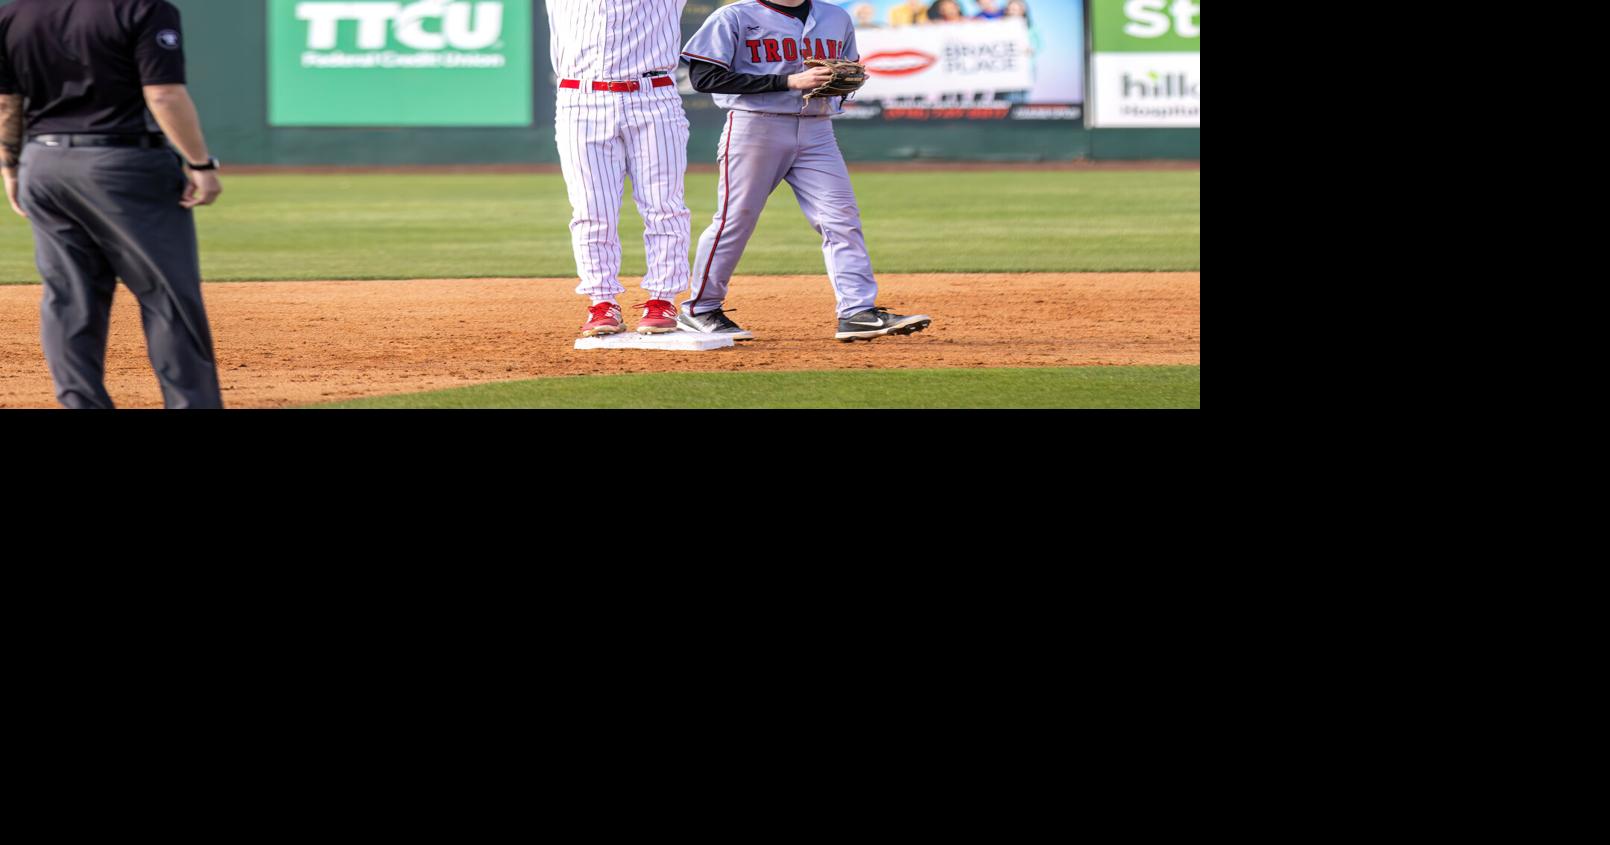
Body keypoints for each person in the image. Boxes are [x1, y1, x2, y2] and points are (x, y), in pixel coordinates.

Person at [0, 0, 224, 409]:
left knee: (69, 299)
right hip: (122, 164)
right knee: (167, 297)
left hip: (43, 163)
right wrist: (200, 163)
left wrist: (10, 166)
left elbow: (6, 101)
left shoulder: (15, 12)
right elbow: (164, 94)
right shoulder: (143, 8)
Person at [680, 0, 932, 342]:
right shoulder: (735, 15)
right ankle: (701, 308)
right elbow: (704, 76)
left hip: (818, 128)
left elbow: (849, 67)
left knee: (841, 217)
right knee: (735, 219)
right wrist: (788, 81)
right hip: (755, 125)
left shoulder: (835, 17)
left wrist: (843, 82)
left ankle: (857, 311)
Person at [546, 0, 693, 338]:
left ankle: (662, 298)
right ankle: (601, 302)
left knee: (664, 205)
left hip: (653, 98)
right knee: (591, 210)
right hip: (580, 99)